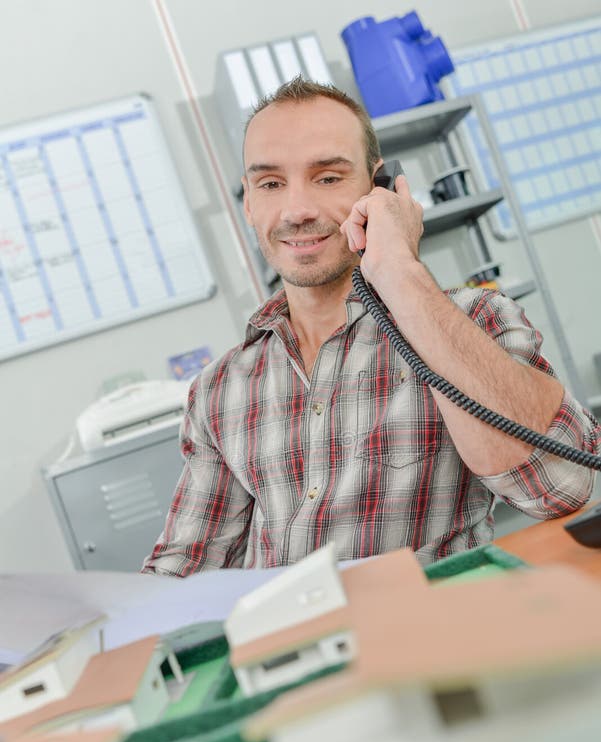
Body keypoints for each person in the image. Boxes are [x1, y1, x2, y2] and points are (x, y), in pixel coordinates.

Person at [143, 78, 600, 575]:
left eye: (328, 178)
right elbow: (185, 565)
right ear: (249, 203)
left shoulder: (477, 320)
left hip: (431, 619)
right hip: (291, 626)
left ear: (380, 189)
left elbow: (561, 486)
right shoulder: (220, 388)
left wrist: (399, 270)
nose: (297, 211)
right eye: (270, 184)